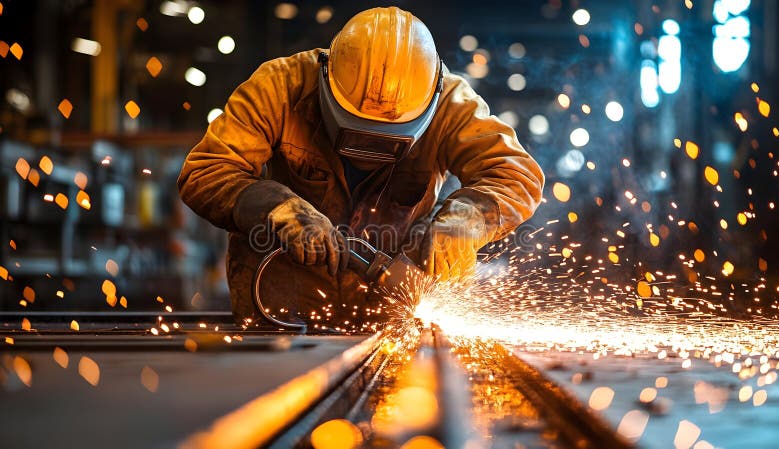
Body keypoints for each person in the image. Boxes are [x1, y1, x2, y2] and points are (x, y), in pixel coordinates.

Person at [177, 6, 544, 328]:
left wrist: (466, 220)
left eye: (388, 140)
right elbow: (205, 171)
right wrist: (275, 208)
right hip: (280, 313)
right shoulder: (280, 86)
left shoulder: (452, 104)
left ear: (429, 105)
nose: (370, 151)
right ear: (326, 81)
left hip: (395, 316)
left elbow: (515, 175)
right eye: (357, 133)